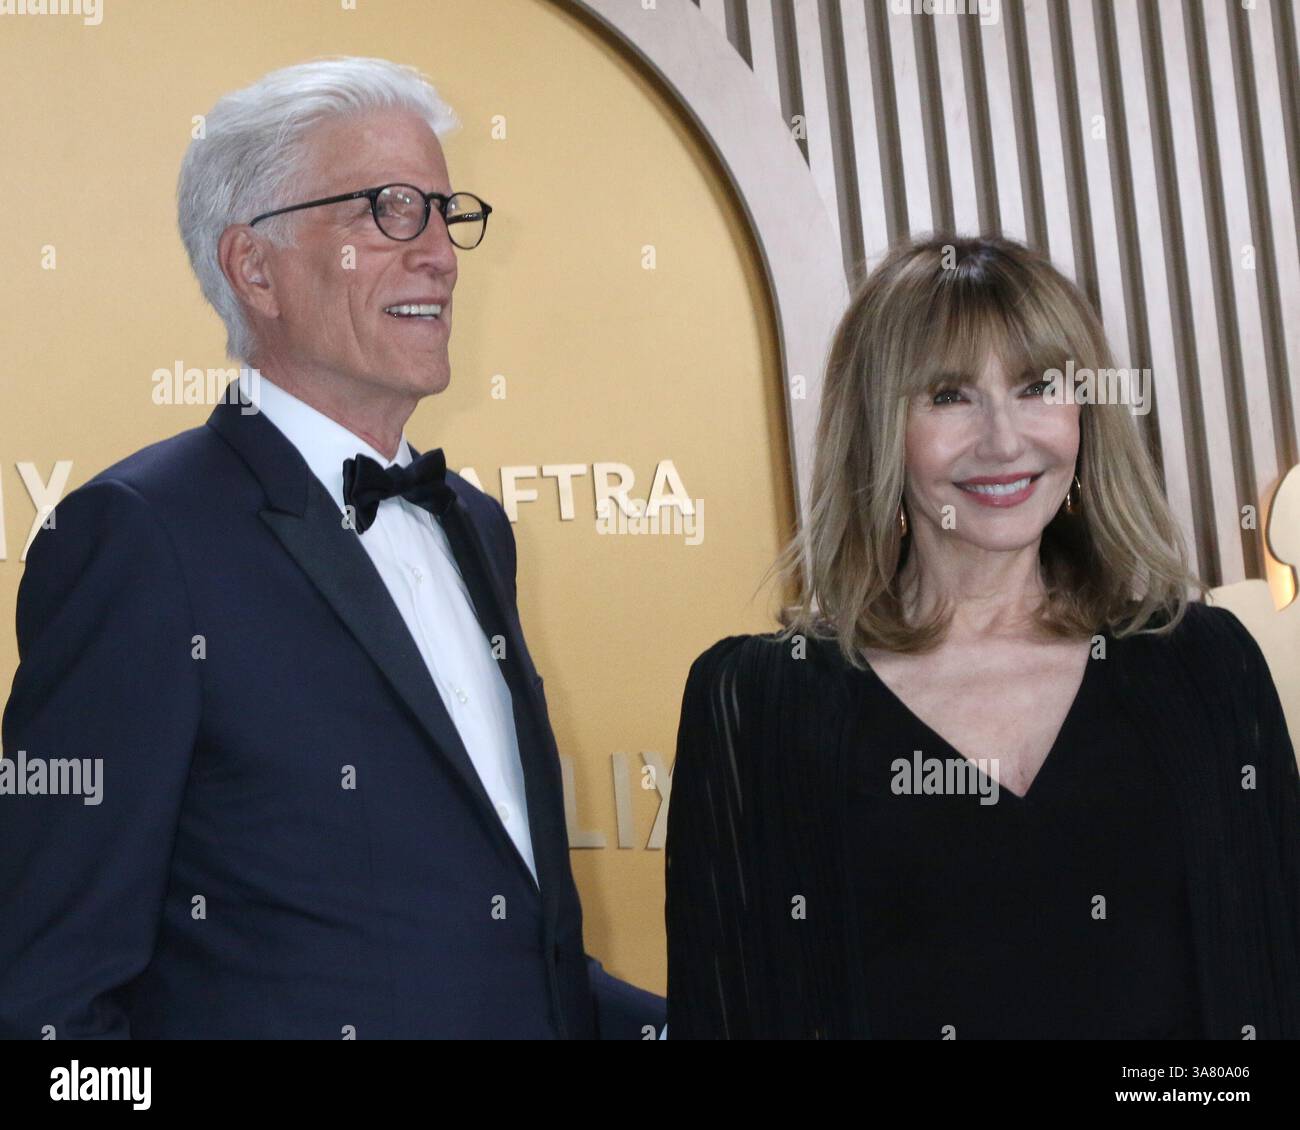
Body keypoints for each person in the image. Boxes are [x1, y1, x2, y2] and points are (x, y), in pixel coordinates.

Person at [0, 56, 662, 1039]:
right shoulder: (140, 536)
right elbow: (45, 1004)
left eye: (444, 212)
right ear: (254, 267)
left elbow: (504, 948)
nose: (439, 252)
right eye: (388, 210)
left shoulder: (473, 528)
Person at [665, 236, 1300, 1039]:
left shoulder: (1203, 666)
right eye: (948, 396)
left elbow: (1273, 991)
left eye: (1038, 387)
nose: (1004, 440)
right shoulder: (758, 704)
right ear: (876, 429)